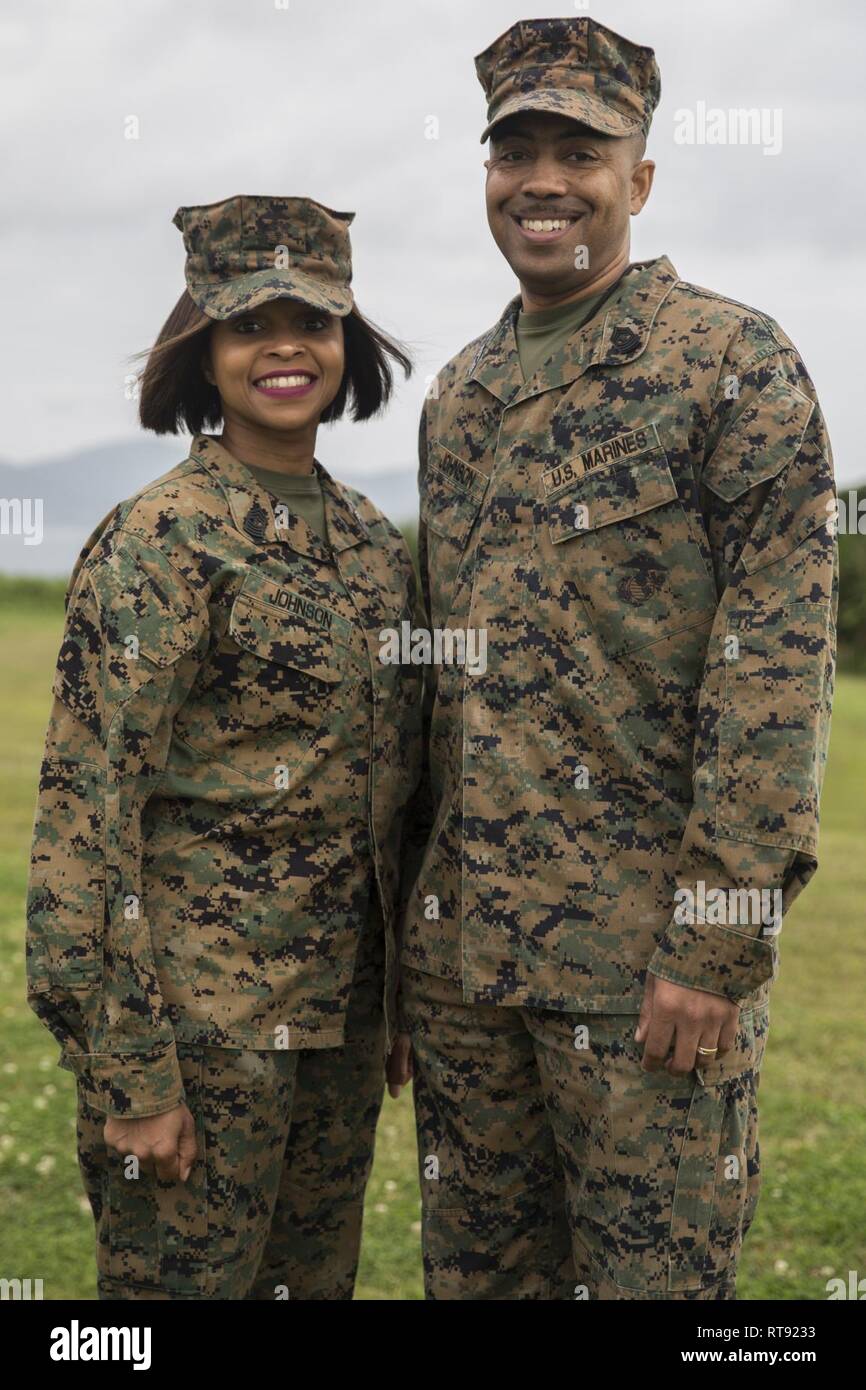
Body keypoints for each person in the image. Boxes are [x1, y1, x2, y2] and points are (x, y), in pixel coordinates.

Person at [399, 16, 837, 1299]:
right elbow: (440, 692)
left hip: (642, 981)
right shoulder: (460, 397)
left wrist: (713, 945)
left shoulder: (727, 368)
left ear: (636, 178)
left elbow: (774, 677)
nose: (543, 179)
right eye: (515, 149)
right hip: (468, 977)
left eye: (578, 150)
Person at [25, 194, 422, 1300]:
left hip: (333, 1038)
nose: (286, 345)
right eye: (251, 324)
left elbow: (389, 792)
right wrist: (131, 1069)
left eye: (315, 319)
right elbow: (84, 819)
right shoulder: (162, 541)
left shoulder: (372, 549)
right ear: (203, 350)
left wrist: (386, 1001)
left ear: (349, 342)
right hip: (199, 1042)